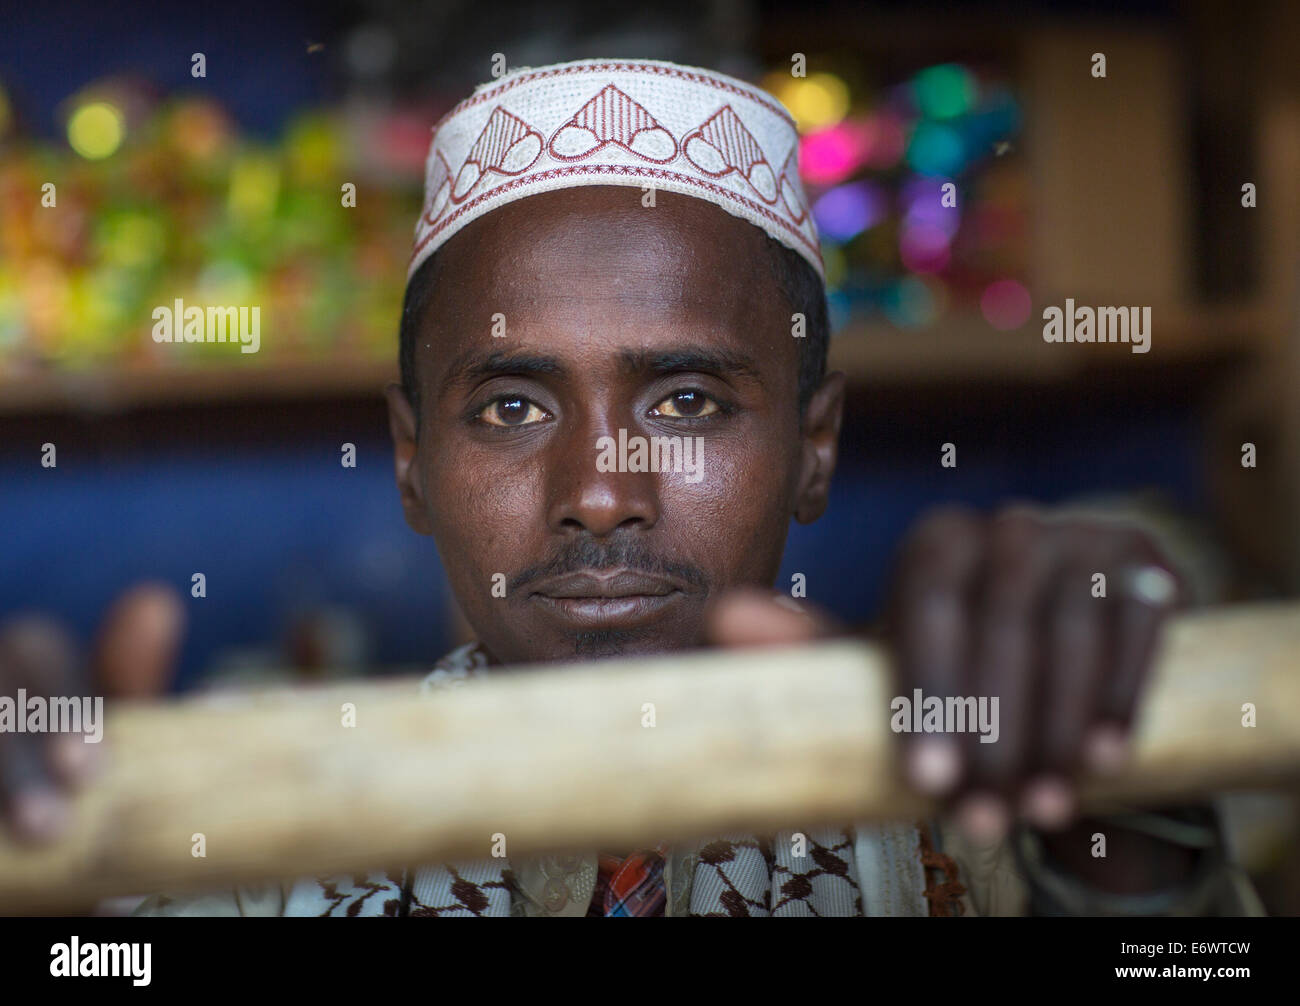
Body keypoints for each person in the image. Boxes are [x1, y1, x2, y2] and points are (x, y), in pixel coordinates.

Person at [1, 58, 1258, 917]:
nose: (601, 491)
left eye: (687, 402)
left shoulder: (973, 814)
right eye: (510, 406)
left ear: (816, 448)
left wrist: (1117, 835)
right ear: (409, 463)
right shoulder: (240, 845)